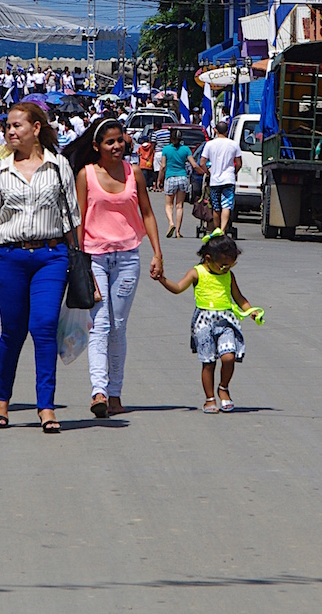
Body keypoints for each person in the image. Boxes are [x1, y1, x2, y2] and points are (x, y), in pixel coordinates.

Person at [0, 101, 82, 433]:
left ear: (36, 128)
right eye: (8, 127)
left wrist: (83, 269)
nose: (11, 131)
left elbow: (72, 220)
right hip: (8, 258)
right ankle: (2, 400)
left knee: (44, 327)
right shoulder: (1, 171)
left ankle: (46, 406)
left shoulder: (59, 167)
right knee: (12, 331)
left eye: (18, 126)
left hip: (51, 257)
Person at [66, 118, 164, 419]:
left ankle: (116, 393)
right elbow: (79, 221)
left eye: (120, 140)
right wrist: (79, 264)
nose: (117, 146)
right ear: (97, 146)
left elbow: (147, 213)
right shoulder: (85, 175)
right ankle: (99, 390)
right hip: (94, 258)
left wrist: (157, 253)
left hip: (128, 258)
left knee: (118, 326)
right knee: (100, 324)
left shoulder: (134, 173)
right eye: (110, 142)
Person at [156, 231, 263, 413]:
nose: (227, 269)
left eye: (231, 265)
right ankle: (209, 398)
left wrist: (251, 311)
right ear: (208, 258)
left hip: (226, 320)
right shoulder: (196, 273)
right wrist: (162, 279)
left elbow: (239, 297)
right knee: (208, 362)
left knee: (229, 356)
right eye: (223, 266)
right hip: (204, 322)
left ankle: (223, 388)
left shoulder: (229, 276)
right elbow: (178, 288)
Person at [197, 121, 242, 233]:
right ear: (227, 131)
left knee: (216, 206)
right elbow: (239, 163)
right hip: (228, 179)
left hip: (215, 180)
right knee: (226, 205)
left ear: (215, 130)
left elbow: (202, 162)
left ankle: (217, 229)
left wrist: (207, 172)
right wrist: (234, 172)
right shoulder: (234, 144)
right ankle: (223, 229)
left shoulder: (210, 144)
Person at [160, 129, 194, 238]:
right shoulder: (186, 149)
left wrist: (159, 179)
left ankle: (171, 223)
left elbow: (163, 166)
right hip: (183, 178)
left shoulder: (166, 149)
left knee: (168, 205)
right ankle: (178, 232)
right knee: (179, 206)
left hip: (170, 177)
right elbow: (193, 163)